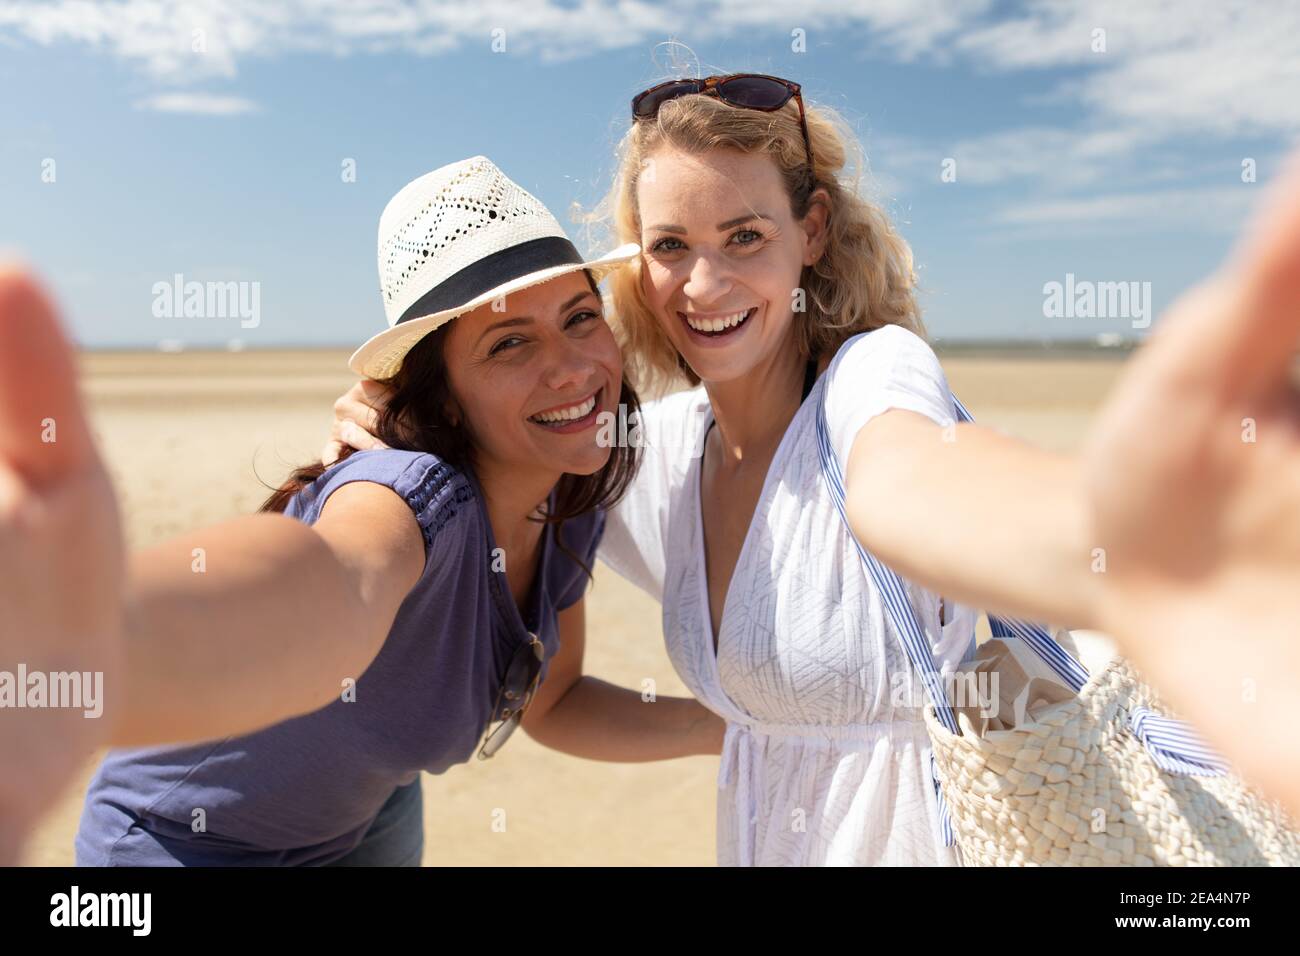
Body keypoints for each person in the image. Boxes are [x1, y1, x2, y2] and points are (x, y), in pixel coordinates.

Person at [326, 74, 1300, 863]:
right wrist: (401, 420)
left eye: (744, 237)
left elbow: (917, 487)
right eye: (671, 246)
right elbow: (552, 693)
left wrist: (1102, 534)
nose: (704, 286)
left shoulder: (871, 377)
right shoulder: (644, 454)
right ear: (640, 263)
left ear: (812, 233)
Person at [0, 156, 725, 867]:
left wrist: (731, 727)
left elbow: (554, 703)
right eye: (510, 343)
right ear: (441, 394)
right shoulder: (408, 493)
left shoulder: (569, 493)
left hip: (368, 822)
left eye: (580, 317)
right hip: (180, 842)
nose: (572, 367)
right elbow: (334, 588)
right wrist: (76, 645)